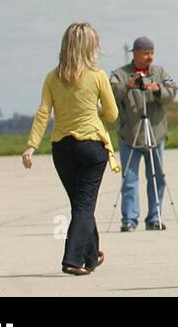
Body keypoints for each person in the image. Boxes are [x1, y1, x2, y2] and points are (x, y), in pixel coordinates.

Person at [23, 22, 120, 276]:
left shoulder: (52, 78)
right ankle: (72, 259)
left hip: (62, 149)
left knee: (80, 205)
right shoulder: (97, 76)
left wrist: (31, 146)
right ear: (90, 47)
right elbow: (111, 114)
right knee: (84, 206)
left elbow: (43, 112)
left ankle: (91, 253)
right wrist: (93, 108)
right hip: (91, 147)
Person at [110, 36, 178, 231]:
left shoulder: (160, 72)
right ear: (136, 53)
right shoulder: (120, 74)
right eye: (146, 53)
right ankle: (129, 219)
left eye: (152, 53)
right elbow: (110, 93)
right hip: (129, 134)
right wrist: (128, 86)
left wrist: (158, 90)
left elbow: (173, 91)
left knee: (157, 177)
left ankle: (155, 217)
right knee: (129, 179)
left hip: (155, 134)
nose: (150, 57)